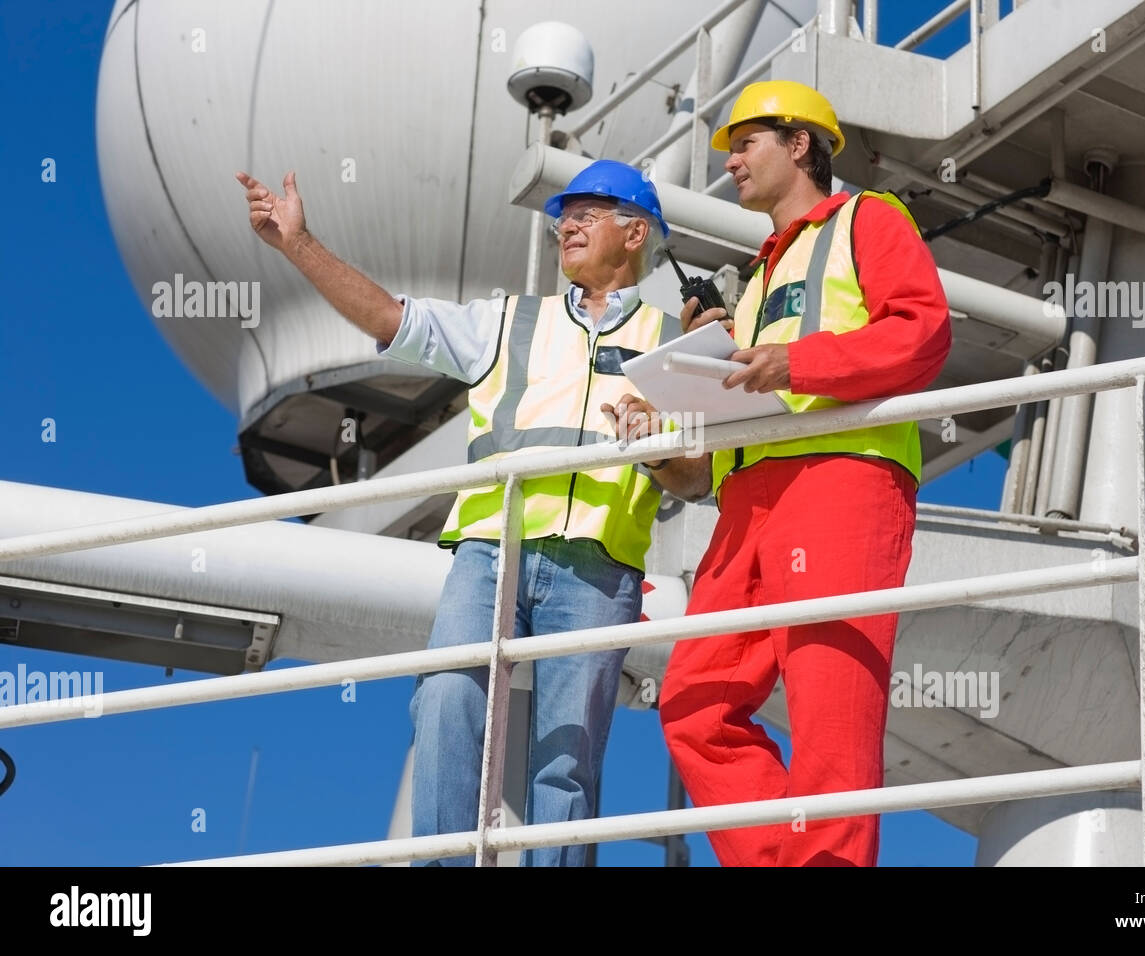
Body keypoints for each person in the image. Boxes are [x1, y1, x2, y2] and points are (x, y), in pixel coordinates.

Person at [236, 159, 688, 865]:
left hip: (599, 570)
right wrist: (299, 242)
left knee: (567, 762)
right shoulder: (506, 321)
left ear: (635, 234)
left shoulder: (675, 341)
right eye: (563, 215)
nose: (564, 224)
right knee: (447, 701)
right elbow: (389, 317)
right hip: (491, 551)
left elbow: (699, 479)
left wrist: (657, 444)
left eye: (587, 214)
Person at [610, 80, 951, 866]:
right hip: (746, 502)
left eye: (745, 142)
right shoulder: (758, 276)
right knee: (696, 702)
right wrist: (668, 413)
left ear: (800, 145)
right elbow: (720, 436)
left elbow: (923, 332)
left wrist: (792, 361)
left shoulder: (870, 218)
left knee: (831, 710)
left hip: (842, 480)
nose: (731, 161)